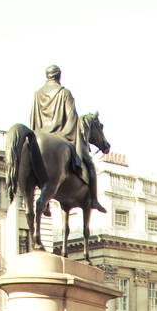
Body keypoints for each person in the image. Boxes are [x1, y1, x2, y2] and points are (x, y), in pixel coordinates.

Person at [29, 66, 105, 213]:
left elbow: (33, 119)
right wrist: (69, 138)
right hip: (60, 136)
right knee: (89, 164)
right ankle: (94, 200)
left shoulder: (37, 94)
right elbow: (72, 120)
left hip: (38, 137)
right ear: (59, 76)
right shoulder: (65, 93)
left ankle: (44, 202)